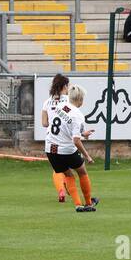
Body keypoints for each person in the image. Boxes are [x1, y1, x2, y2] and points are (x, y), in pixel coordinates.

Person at [41, 79, 97, 211]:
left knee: (68, 175)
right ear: (81, 99)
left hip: (50, 149)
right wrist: (87, 155)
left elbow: (65, 127)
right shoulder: (78, 115)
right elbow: (76, 141)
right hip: (65, 150)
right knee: (82, 171)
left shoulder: (60, 107)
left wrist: (83, 133)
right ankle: (88, 203)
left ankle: (78, 205)